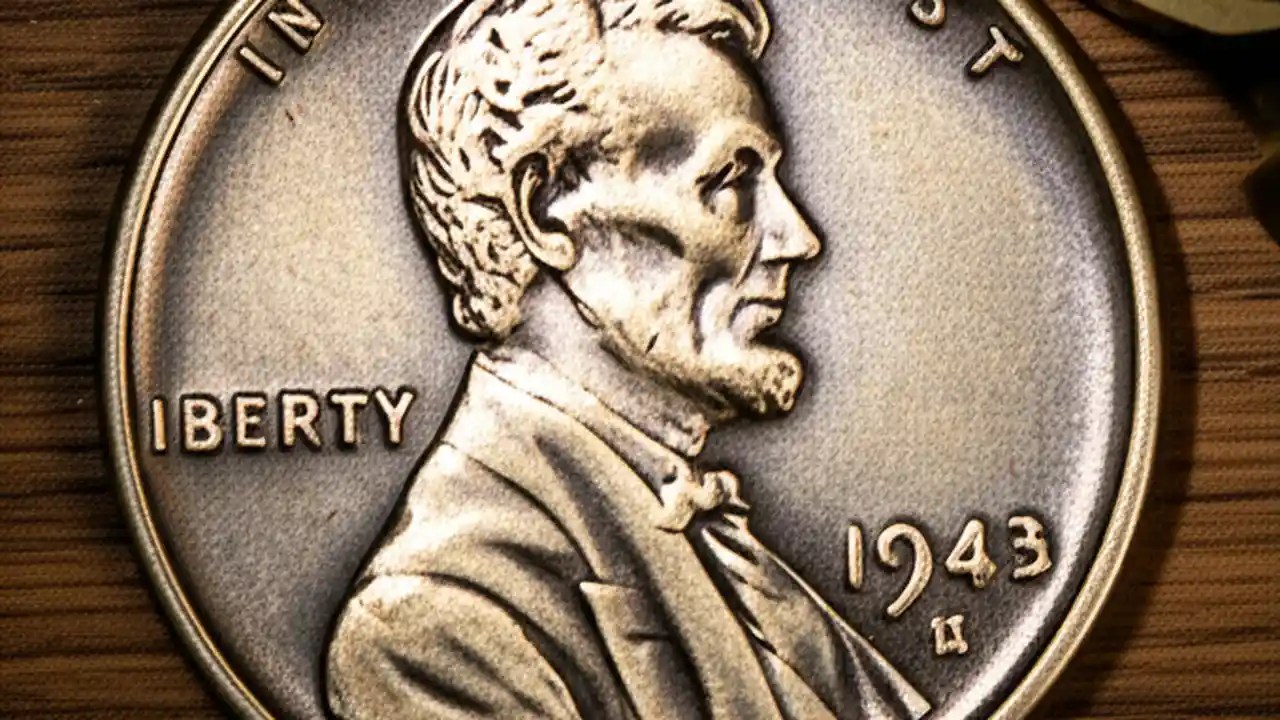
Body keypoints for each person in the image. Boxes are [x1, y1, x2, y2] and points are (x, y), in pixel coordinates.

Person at [326, 0, 930, 717]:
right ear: (547, 209)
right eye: (731, 182)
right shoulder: (439, 623)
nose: (798, 238)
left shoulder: (700, 530)